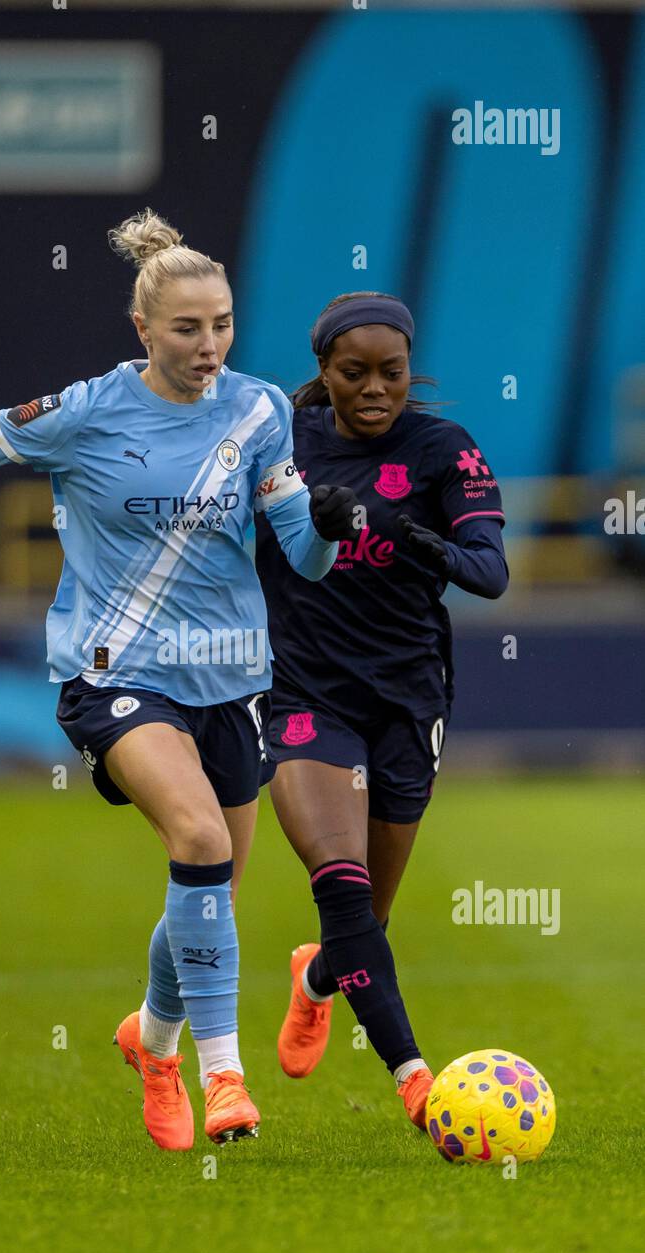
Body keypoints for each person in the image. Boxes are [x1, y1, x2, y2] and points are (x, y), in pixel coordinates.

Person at [0, 209, 360, 1151]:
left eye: (223, 324)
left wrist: (328, 523)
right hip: (113, 674)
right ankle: (222, 1077)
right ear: (144, 329)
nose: (208, 346)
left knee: (212, 891)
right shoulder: (83, 412)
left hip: (233, 680)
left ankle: (152, 1042)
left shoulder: (263, 411)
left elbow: (303, 560)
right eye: (187, 328)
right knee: (195, 834)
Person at [254, 291, 508, 1129]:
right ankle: (416, 1081)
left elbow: (488, 572)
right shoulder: (278, 445)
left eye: (390, 373)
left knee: (369, 922)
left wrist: (411, 535)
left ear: (409, 371)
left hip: (407, 697)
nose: (373, 389)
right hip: (303, 694)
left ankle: (318, 978)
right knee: (343, 887)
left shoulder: (442, 450)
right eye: (352, 373)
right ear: (323, 373)